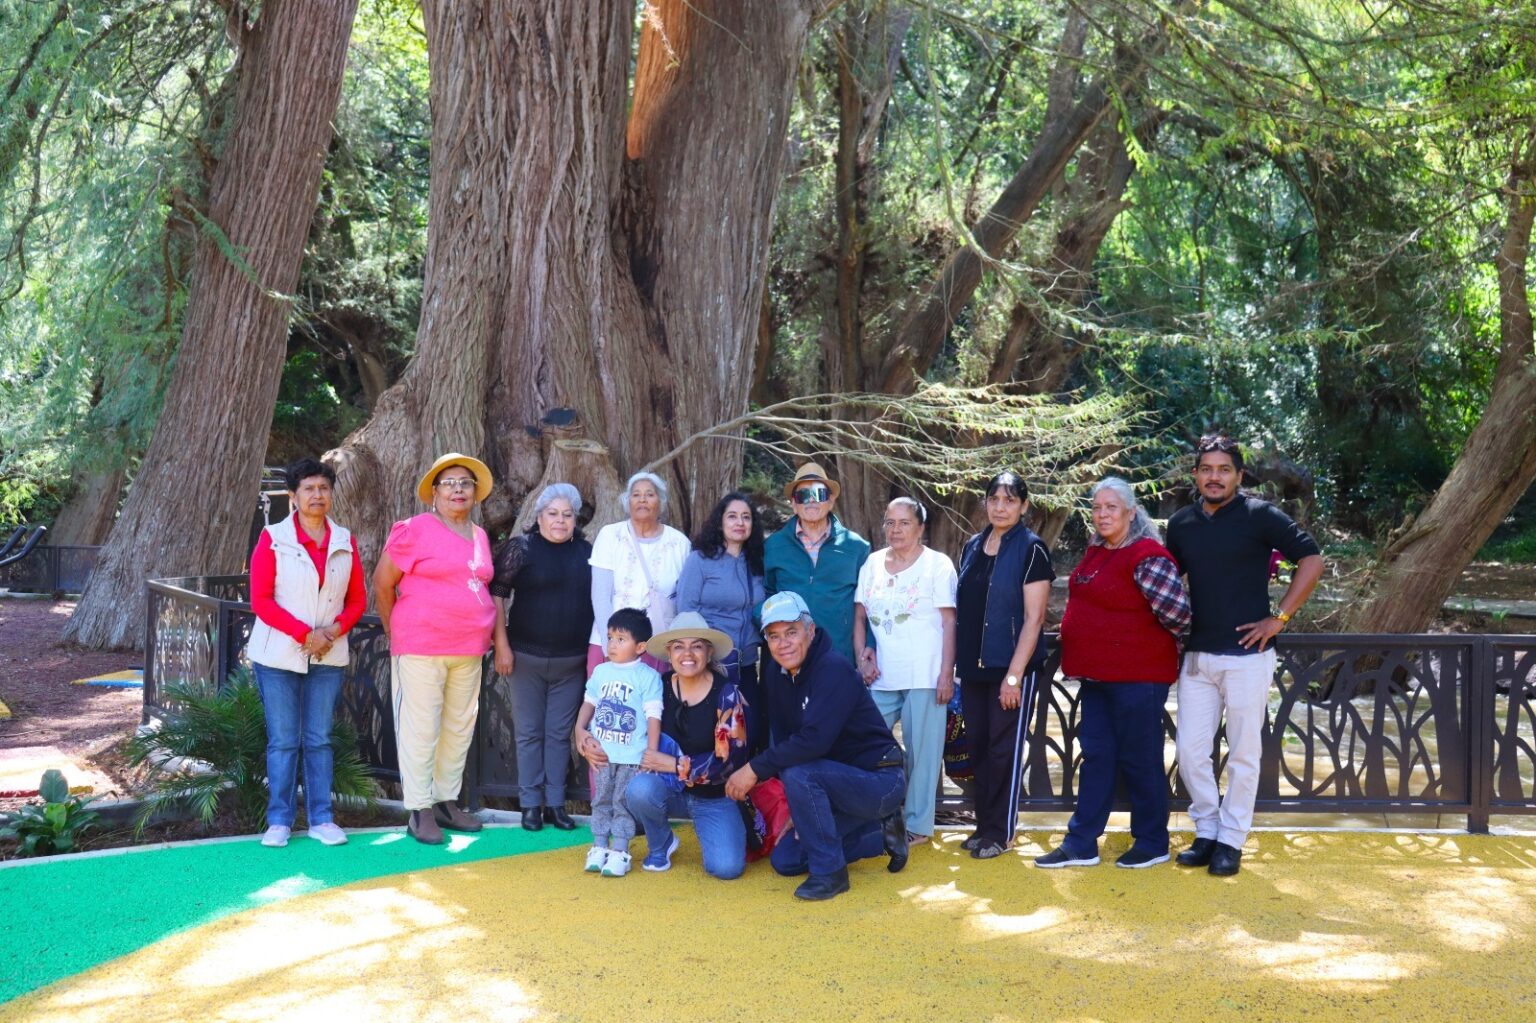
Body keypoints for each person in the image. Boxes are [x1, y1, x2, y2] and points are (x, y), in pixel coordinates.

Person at [1166, 434, 1324, 877]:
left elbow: (1311, 560)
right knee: (1191, 752)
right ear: (1196, 475)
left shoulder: (1261, 516)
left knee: (1243, 753)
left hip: (1248, 657)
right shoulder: (1180, 524)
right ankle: (1207, 830)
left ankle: (1232, 840)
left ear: (1238, 475)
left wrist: (1280, 617)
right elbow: (1162, 581)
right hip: (1197, 657)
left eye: (1224, 470)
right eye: (1206, 469)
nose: (1214, 477)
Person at [1035, 477, 1191, 870]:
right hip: (1097, 677)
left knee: (1140, 758)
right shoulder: (1097, 551)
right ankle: (1082, 842)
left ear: (1131, 513)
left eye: (1112, 508)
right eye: (1097, 508)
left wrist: (1137, 644)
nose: (1103, 514)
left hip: (1138, 678)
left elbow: (1177, 616)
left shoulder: (1147, 555)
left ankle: (1153, 840)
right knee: (1097, 757)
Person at [726, 591, 907, 901]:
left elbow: (813, 742)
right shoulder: (775, 671)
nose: (783, 644)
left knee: (800, 772)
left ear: (810, 631)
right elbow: (783, 737)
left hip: (878, 780)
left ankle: (831, 875)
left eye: (791, 632)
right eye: (773, 636)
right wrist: (802, 808)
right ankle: (879, 834)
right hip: (833, 785)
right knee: (786, 861)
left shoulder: (833, 669)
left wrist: (753, 769)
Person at [373, 452, 498, 845]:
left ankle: (446, 801)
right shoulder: (415, 529)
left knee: (458, 727)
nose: (458, 489)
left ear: (475, 493)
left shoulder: (479, 536)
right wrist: (397, 632)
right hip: (421, 644)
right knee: (420, 726)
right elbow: (381, 582)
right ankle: (419, 808)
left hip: (470, 646)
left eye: (465, 483)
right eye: (449, 483)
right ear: (434, 494)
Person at [247, 457, 367, 849]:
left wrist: (331, 631)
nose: (317, 495)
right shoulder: (273, 538)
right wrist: (304, 634)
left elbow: (357, 600)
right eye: (309, 489)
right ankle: (279, 820)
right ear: (293, 496)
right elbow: (261, 600)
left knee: (318, 738)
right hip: (280, 655)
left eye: (324, 489)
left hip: (328, 654)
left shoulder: (345, 540)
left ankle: (321, 818)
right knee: (283, 740)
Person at [954, 470, 1055, 859]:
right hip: (975, 669)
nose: (1000, 506)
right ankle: (983, 827)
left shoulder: (1031, 549)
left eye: (1010, 500)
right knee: (978, 747)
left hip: (1010, 669)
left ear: (1024, 506)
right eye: (994, 499)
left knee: (1003, 750)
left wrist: (1013, 677)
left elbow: (1034, 620)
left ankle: (1001, 831)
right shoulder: (972, 547)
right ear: (985, 503)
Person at [609, 612, 752, 880]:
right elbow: (625, 728)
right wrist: (589, 737)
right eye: (679, 646)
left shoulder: (727, 694)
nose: (688, 654)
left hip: (714, 795)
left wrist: (674, 764)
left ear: (709, 653)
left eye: (696, 646)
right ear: (669, 653)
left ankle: (716, 830)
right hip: (666, 791)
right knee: (639, 789)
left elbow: (729, 760)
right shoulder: (656, 687)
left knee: (727, 868)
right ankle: (661, 842)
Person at [490, 483, 593, 833]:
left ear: (575, 519)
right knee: (529, 732)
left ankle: (555, 804)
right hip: (525, 657)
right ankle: (530, 805)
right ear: (540, 516)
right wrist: (501, 644)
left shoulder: (586, 552)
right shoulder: (521, 548)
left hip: (571, 660)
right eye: (553, 514)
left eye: (567, 515)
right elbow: (497, 595)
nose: (560, 521)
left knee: (559, 734)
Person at [853, 497, 957, 844]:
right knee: (863, 744)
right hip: (882, 675)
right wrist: (862, 657)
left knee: (922, 754)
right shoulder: (871, 564)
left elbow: (948, 622)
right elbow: (860, 617)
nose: (895, 530)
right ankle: (869, 816)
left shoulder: (937, 566)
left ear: (920, 527)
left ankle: (917, 825)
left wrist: (946, 674)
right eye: (889, 522)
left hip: (925, 675)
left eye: (904, 523)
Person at [572, 608, 663, 878]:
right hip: (601, 754)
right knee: (601, 799)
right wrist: (579, 729)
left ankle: (620, 850)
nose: (612, 644)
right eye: (610, 637)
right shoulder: (600, 671)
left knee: (622, 802)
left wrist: (652, 752)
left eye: (621, 639)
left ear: (641, 646)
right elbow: (589, 703)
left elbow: (653, 716)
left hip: (632, 755)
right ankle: (599, 846)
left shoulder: (647, 677)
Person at [676, 491, 767, 751]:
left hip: (747, 663)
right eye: (732, 516)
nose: (740, 522)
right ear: (720, 522)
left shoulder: (756, 562)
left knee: (746, 731)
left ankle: (739, 789)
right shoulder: (700, 560)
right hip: (712, 664)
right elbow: (686, 612)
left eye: (746, 517)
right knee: (711, 733)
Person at [763, 461, 870, 663]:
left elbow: (869, 605)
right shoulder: (773, 547)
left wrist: (868, 647)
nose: (811, 501)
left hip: (839, 656)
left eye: (819, 494)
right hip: (786, 659)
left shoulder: (857, 548)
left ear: (830, 502)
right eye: (803, 495)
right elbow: (765, 594)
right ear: (794, 504)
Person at [587, 471, 691, 673]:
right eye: (636, 494)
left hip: (657, 643)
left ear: (660, 502)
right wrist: (611, 645)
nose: (642, 499)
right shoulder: (611, 535)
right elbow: (600, 596)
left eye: (649, 494)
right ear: (627, 501)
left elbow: (682, 600)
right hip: (609, 643)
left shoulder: (679, 544)